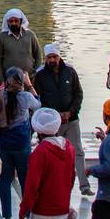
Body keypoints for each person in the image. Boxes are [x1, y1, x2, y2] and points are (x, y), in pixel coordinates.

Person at [33, 42, 94, 196]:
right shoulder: (40, 75)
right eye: (49, 58)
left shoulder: (70, 72)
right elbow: (39, 100)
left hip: (71, 120)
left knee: (78, 151)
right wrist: (54, 115)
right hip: (52, 124)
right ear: (45, 58)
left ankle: (84, 185)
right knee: (52, 154)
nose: (52, 60)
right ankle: (52, 186)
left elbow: (78, 94)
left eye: (54, 57)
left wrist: (70, 112)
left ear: (59, 57)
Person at [0, 66, 41, 219]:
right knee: (26, 179)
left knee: (5, 180)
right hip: (22, 143)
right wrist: (30, 85)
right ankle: (27, 215)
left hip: (4, 142)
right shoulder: (25, 97)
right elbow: (38, 105)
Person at [0, 8, 41, 81]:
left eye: (16, 21)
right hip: (9, 80)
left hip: (29, 78)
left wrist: (35, 73)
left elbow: (38, 56)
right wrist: (1, 79)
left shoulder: (30, 35)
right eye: (11, 21)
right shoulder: (2, 37)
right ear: (7, 22)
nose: (13, 23)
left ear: (21, 21)